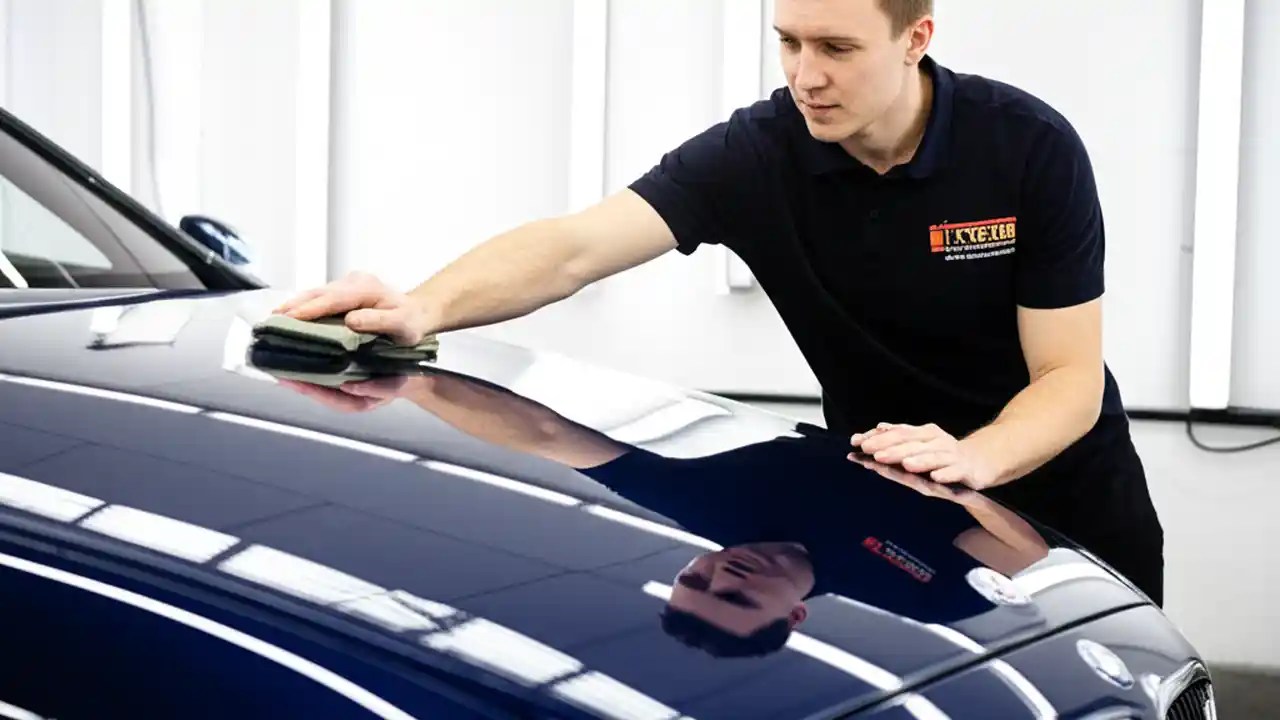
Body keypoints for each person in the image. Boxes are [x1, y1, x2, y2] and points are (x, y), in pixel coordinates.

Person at [273, 0, 1164, 603]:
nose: (806, 74)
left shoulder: (1028, 148)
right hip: (888, 506)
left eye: (838, 48)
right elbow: (575, 246)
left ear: (916, 38)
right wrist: (422, 308)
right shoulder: (757, 154)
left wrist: (977, 456)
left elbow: (1069, 376)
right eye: (789, 42)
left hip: (1067, 510)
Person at [271, 365, 1055, 659]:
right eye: (737, 597)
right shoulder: (921, 599)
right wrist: (957, 486)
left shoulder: (707, 503)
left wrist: (414, 386)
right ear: (793, 621)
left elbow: (548, 436)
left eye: (696, 578)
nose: (722, 572)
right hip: (1029, 443)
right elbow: (1029, 557)